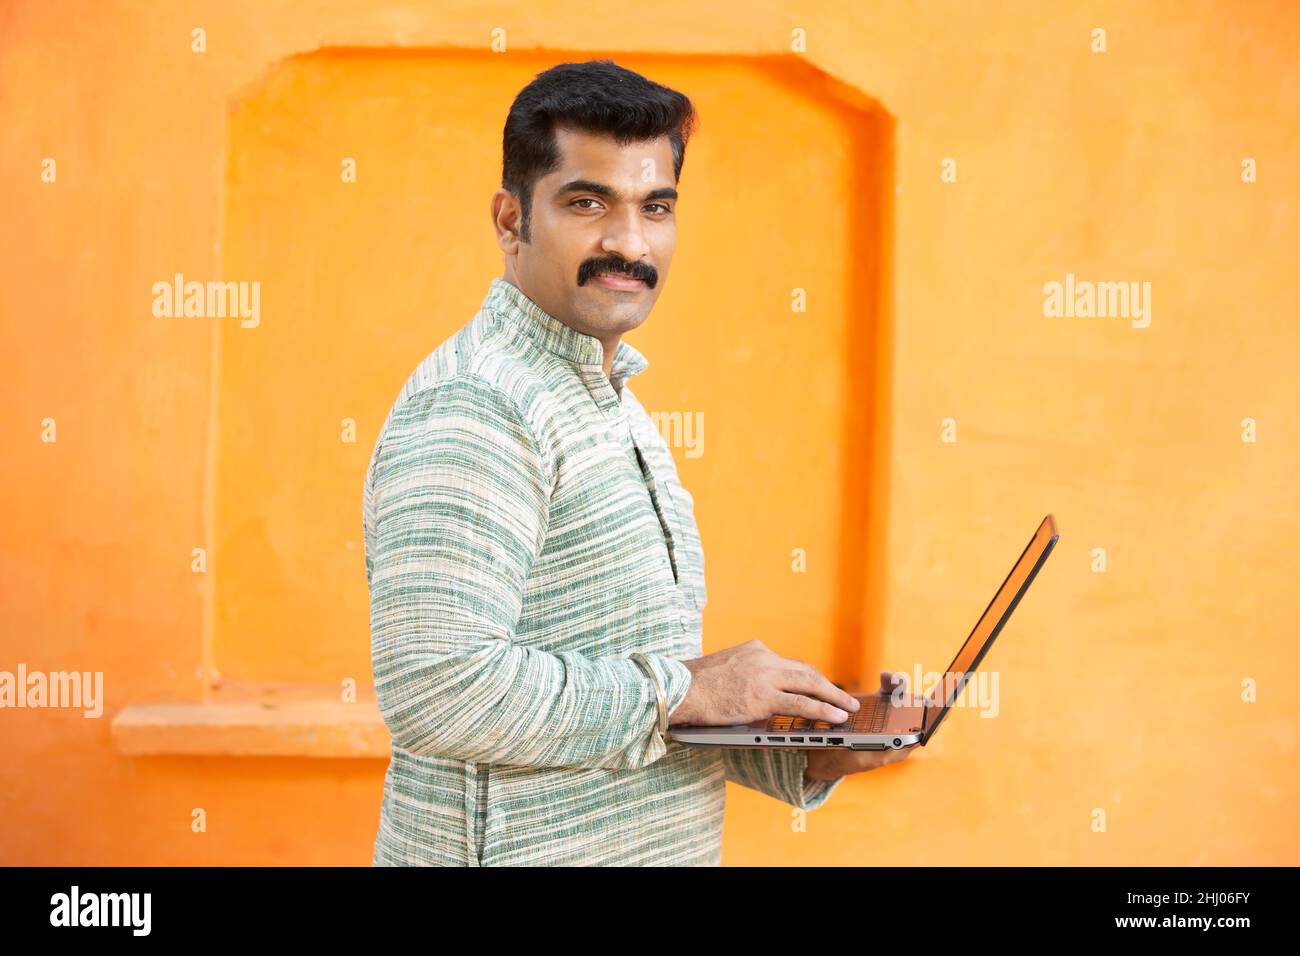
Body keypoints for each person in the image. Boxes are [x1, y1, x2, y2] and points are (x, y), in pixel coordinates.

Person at [364, 58, 911, 867]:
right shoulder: (480, 403)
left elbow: (635, 714)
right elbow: (440, 690)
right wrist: (691, 687)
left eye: (655, 207)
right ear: (511, 220)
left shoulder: (604, 395)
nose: (629, 241)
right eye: (588, 203)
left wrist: (810, 748)